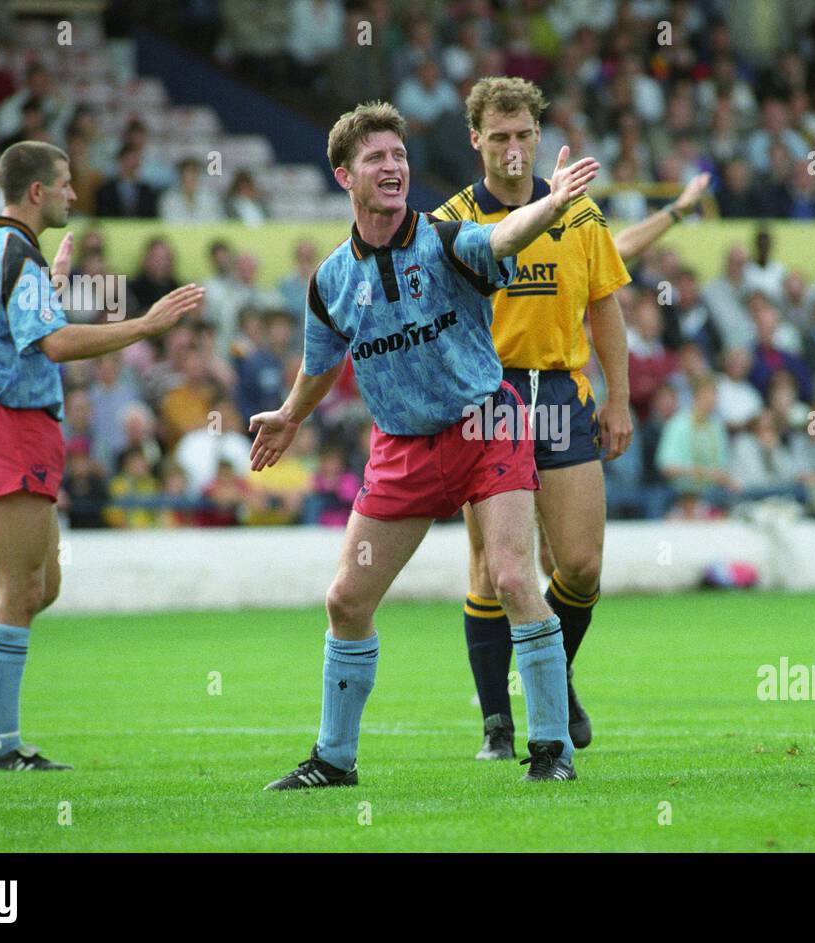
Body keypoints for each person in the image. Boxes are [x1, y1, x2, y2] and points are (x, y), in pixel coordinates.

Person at [249, 101, 599, 787]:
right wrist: (291, 415)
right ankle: (334, 759)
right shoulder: (328, 282)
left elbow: (502, 240)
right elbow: (321, 365)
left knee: (510, 576)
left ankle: (551, 749)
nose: (393, 167)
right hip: (402, 448)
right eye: (377, 158)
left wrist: (553, 205)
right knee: (346, 599)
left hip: (485, 425)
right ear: (344, 175)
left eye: (399, 156)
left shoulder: (445, 238)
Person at [0, 141, 203, 771]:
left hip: (12, 424)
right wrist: (143, 326)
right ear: (37, 191)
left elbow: (13, 327)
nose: (72, 193)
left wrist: (52, 281)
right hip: (8, 422)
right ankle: (1, 745)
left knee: (41, 585)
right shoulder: (14, 254)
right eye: (64, 184)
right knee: (19, 588)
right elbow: (54, 344)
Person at [434, 76, 709, 761]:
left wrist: (617, 399)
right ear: (476, 141)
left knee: (580, 564)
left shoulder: (580, 216)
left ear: (538, 136)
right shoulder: (454, 220)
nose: (513, 148)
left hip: (558, 394)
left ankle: (552, 673)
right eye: (498, 136)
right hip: (487, 398)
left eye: (524, 134)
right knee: (494, 566)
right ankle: (499, 721)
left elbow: (606, 304)